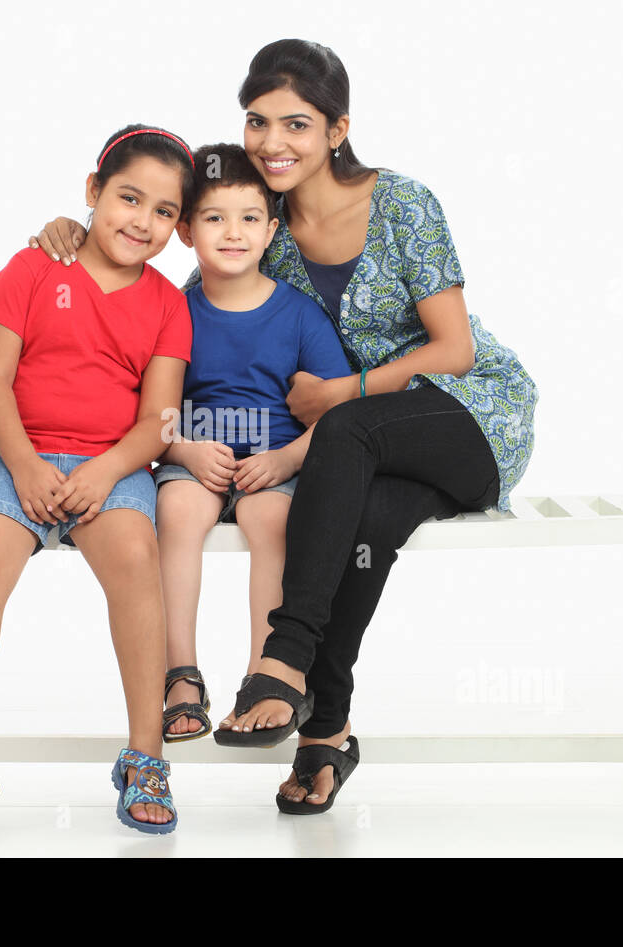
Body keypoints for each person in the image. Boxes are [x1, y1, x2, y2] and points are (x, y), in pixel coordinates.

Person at [29, 40, 539, 815]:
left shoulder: (401, 203)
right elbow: (163, 300)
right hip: (366, 451)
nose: (273, 142)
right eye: (257, 122)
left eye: (296, 124)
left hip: (466, 415)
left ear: (337, 129)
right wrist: (74, 228)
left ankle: (282, 655)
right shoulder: (258, 228)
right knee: (358, 527)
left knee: (345, 434)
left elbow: (455, 348)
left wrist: (344, 390)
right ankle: (323, 736)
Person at [0, 123, 195, 837]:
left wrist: (110, 468)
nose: (142, 221)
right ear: (93, 192)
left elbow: (160, 420)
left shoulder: (170, 304)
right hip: (13, 453)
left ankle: (147, 754)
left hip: (114, 466)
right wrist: (21, 463)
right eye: (128, 198)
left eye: (164, 211)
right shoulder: (35, 267)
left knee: (138, 560)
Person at [148, 143, 352, 743]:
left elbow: (340, 414)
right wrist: (182, 450)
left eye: (249, 218)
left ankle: (266, 672)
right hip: (197, 461)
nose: (232, 233)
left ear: (271, 231)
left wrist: (287, 458)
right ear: (186, 231)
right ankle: (179, 674)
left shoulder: (300, 316)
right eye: (214, 218)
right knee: (176, 511)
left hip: (277, 465)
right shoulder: (173, 313)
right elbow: (151, 411)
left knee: (277, 524)